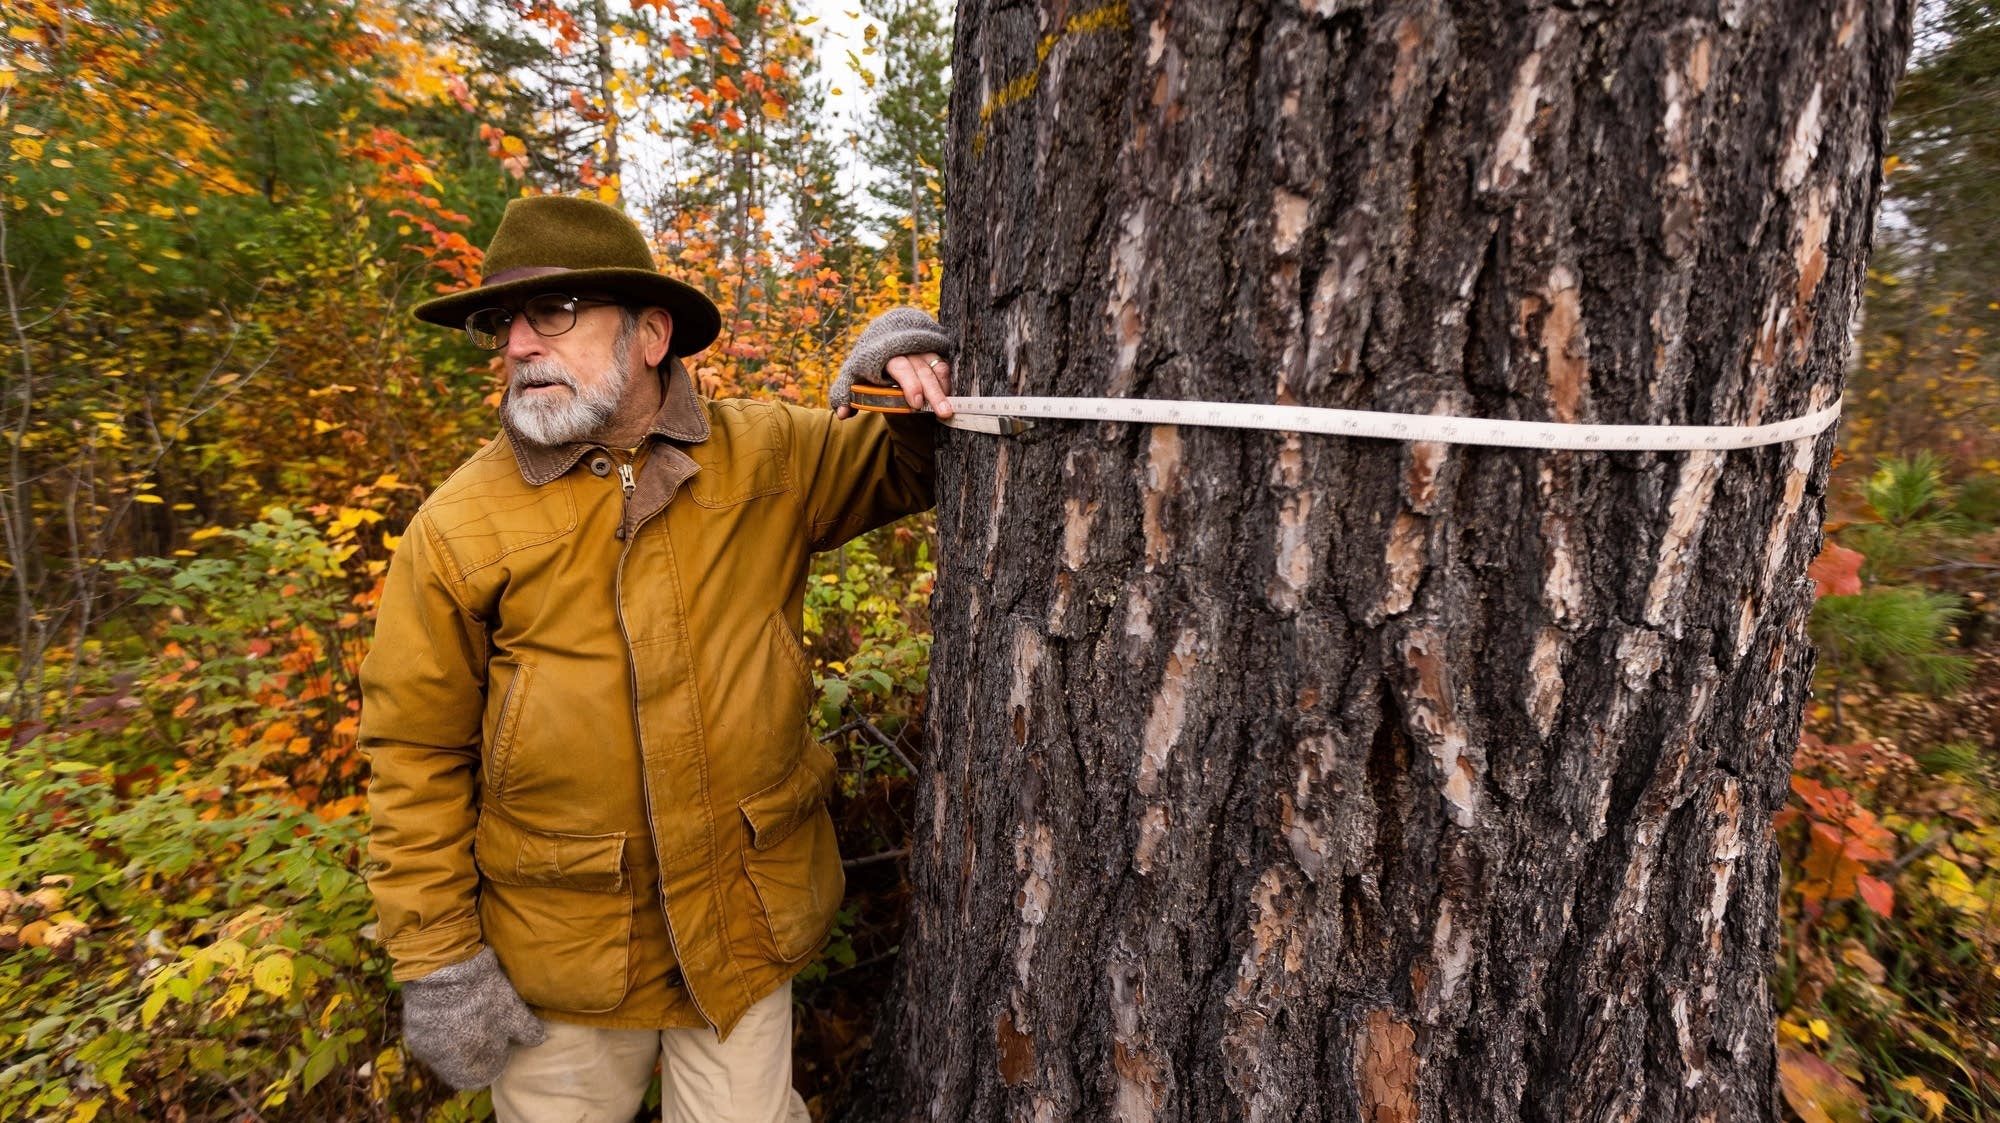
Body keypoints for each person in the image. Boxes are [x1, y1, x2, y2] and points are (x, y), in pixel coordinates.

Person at [358, 193, 952, 1122]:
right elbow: (414, 756)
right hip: (561, 963)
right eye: (503, 323)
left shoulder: (768, 457)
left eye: (552, 314)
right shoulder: (456, 529)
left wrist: (895, 360)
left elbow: (908, 458)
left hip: (742, 931)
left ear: (650, 334)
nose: (518, 344)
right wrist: (438, 960)